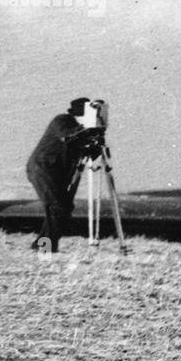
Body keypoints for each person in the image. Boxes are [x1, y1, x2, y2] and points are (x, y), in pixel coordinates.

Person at [26, 97, 103, 254]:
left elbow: (90, 154)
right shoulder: (62, 120)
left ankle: (42, 245)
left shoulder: (80, 129)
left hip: (55, 172)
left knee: (61, 207)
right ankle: (45, 248)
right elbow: (66, 136)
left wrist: (97, 139)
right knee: (59, 207)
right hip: (43, 169)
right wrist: (87, 130)